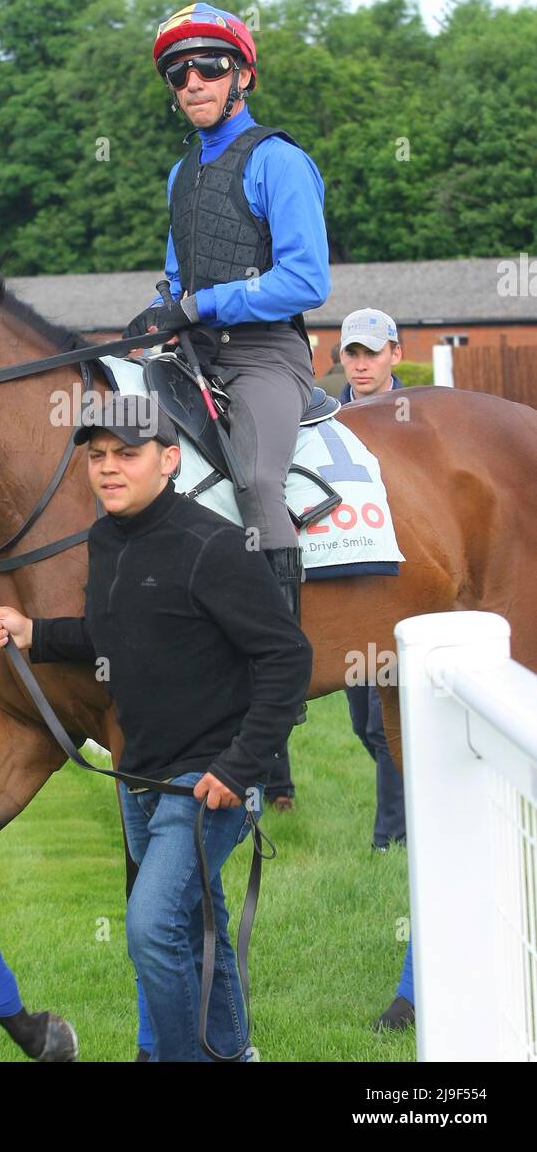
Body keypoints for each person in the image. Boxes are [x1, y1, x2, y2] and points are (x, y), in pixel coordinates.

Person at [0, 394, 312, 1062]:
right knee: (188, 923)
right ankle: (234, 1056)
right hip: (139, 778)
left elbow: (288, 656)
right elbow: (114, 633)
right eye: (97, 456)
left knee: (152, 927)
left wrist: (242, 767)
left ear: (169, 459)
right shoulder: (106, 539)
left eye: (126, 454)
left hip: (207, 782)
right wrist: (31, 631)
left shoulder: (212, 546)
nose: (108, 468)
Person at [122, 0, 331, 810]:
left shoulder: (280, 161)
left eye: (208, 66)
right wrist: (158, 310)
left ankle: (272, 720)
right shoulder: (182, 174)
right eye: (180, 72)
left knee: (253, 481)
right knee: (122, 460)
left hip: (265, 354)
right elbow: (177, 283)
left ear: (240, 74)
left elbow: (308, 281)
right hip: (192, 357)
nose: (193, 81)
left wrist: (199, 307)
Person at [338, 307, 413, 1032]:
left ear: (396, 353)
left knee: (392, 730)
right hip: (358, 590)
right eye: (350, 354)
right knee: (368, 725)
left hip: (406, 588)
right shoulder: (333, 422)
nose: (360, 364)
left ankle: (393, 825)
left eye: (371, 352)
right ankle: (394, 816)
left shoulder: (418, 422)